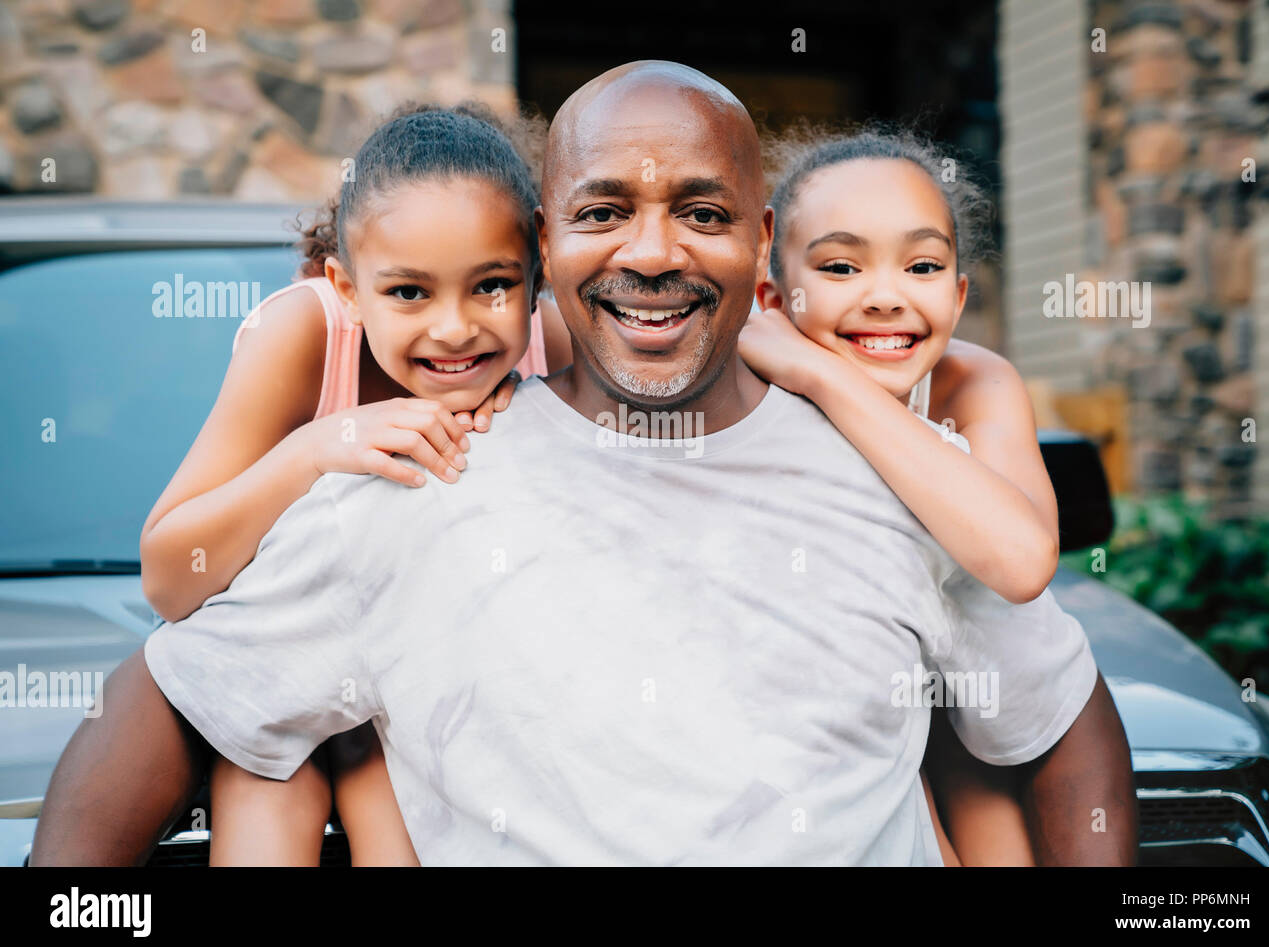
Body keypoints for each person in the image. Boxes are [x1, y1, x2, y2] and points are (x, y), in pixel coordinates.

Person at [31, 61, 1135, 866]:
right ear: (546, 245)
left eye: (699, 213)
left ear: (761, 245)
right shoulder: (425, 469)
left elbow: (1057, 703)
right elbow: (169, 693)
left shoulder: (899, 473)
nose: (651, 254)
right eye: (604, 212)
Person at [136, 104, 565, 864]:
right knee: (269, 781)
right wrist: (317, 446)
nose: (455, 327)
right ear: (347, 288)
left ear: (539, 274)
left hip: (431, 692)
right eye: (409, 293)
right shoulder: (302, 336)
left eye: (491, 285)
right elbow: (170, 580)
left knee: (393, 786)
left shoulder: (550, 351)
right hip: (282, 681)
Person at [740, 125, 1075, 863]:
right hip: (902, 709)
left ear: (957, 298)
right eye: (840, 266)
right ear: (771, 295)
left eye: (921, 265)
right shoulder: (749, 408)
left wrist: (827, 375)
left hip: (1048, 713)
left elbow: (1021, 561)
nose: (886, 296)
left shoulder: (972, 381)